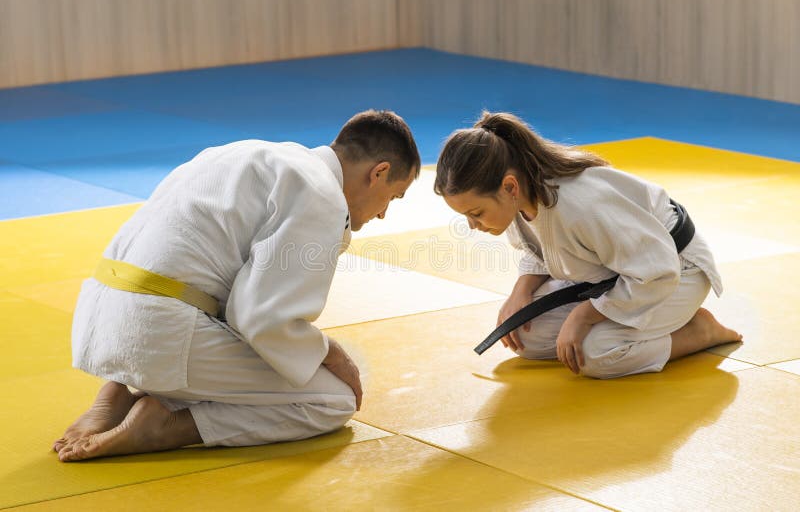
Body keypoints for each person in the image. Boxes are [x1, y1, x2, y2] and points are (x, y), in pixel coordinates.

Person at [54, 110, 420, 461]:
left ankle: (125, 398)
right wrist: (331, 352)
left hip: (99, 321)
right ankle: (167, 424)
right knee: (332, 399)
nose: (384, 212)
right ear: (379, 172)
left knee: (264, 369)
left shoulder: (245, 153)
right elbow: (259, 318)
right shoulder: (321, 193)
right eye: (394, 196)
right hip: (157, 333)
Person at [434, 111, 741, 378]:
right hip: (613, 275)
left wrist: (585, 316)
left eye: (476, 213)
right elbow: (544, 250)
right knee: (526, 336)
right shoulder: (521, 200)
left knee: (596, 355)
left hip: (674, 272)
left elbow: (658, 271)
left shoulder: (581, 205)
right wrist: (521, 291)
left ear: (509, 186)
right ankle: (648, 328)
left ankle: (698, 332)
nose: (473, 225)